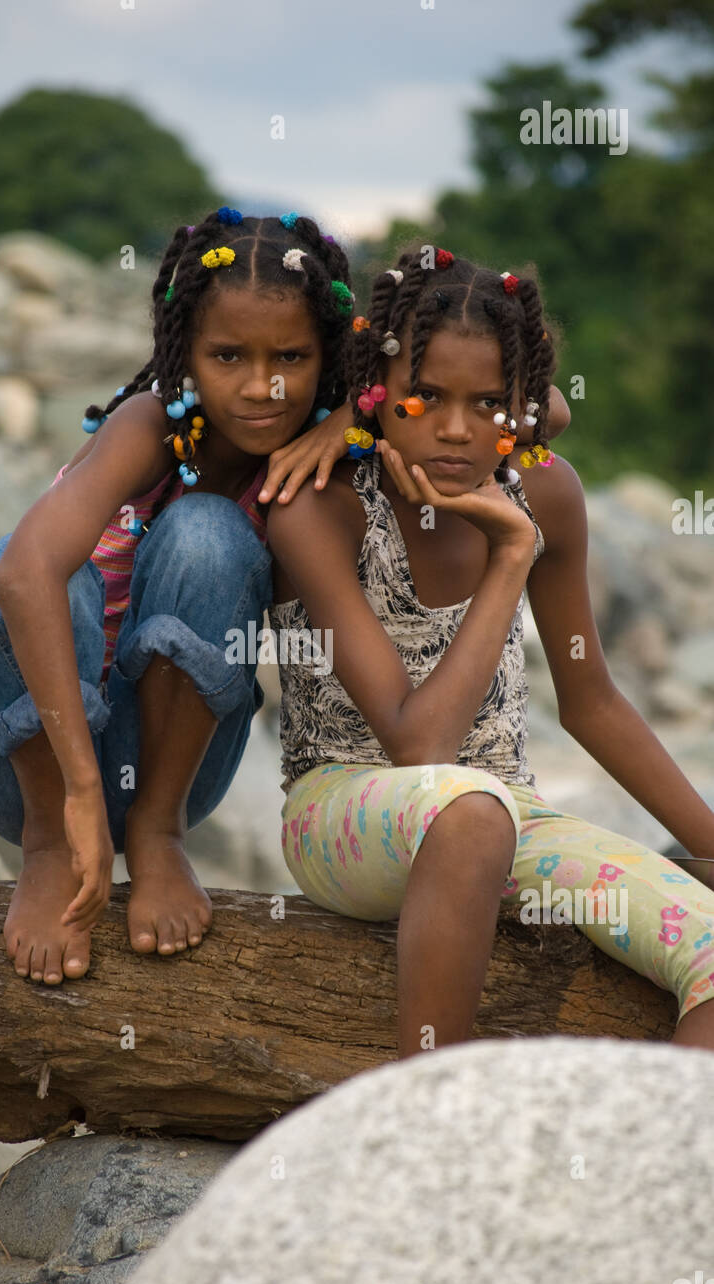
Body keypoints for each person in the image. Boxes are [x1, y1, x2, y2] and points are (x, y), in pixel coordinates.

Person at [265, 245, 714, 1059]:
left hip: (509, 818)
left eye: (488, 404)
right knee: (469, 811)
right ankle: (428, 1118)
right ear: (377, 393)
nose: (455, 430)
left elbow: (593, 702)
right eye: (424, 396)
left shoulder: (543, 489)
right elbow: (420, 747)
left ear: (523, 407)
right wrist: (511, 557)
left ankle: (636, 1176)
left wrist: (711, 846)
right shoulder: (324, 507)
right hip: (344, 813)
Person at [0, 207, 361, 985]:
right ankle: (49, 852)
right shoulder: (150, 423)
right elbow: (24, 578)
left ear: (329, 356)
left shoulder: (325, 440)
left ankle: (158, 836)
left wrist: (360, 415)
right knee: (21, 562)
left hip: (169, 770)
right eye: (228, 355)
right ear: (184, 355)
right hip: (22, 760)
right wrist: (79, 798)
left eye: (290, 357)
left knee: (209, 533)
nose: (262, 386)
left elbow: (536, 405)